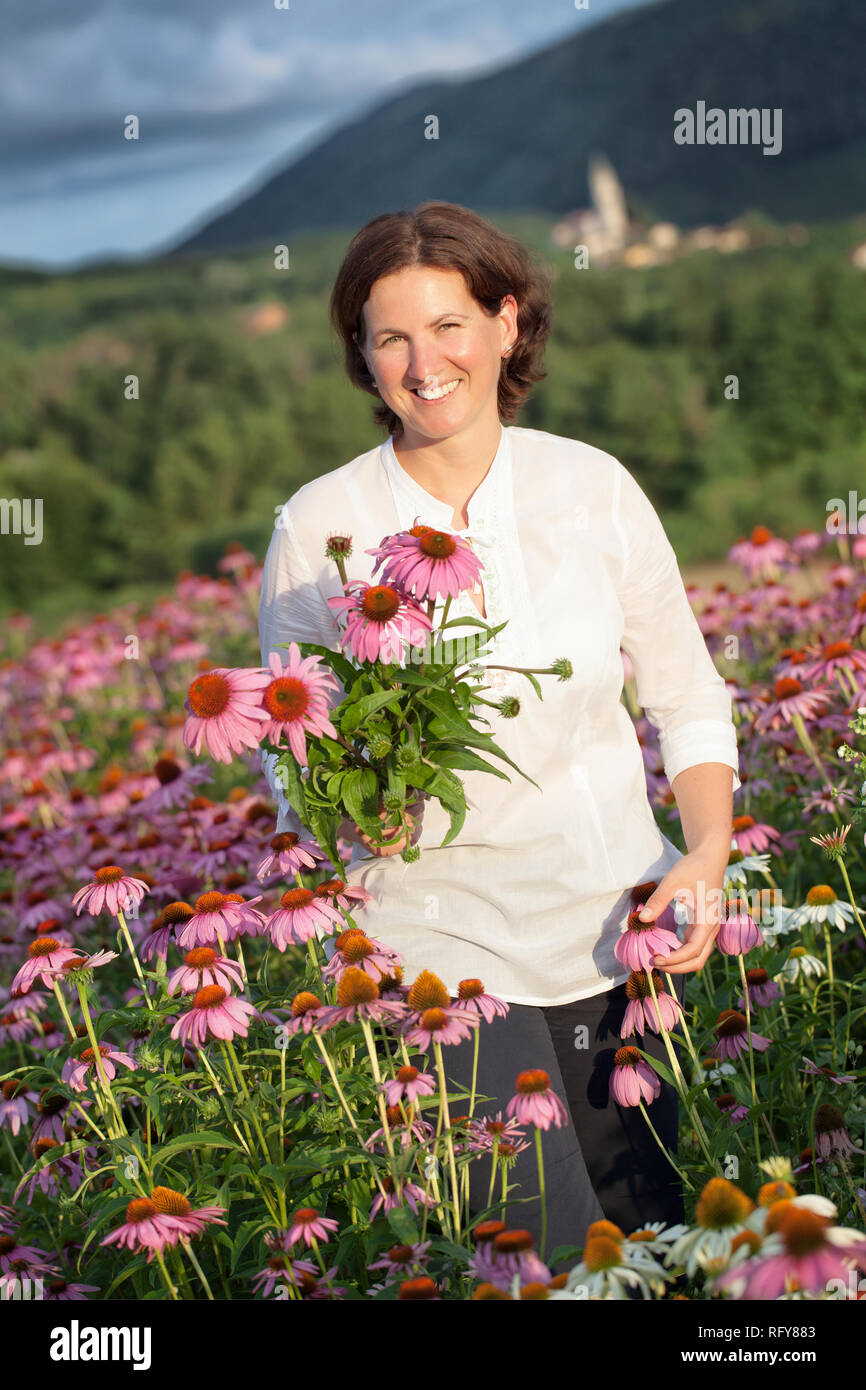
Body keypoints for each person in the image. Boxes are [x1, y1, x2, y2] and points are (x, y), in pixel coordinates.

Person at [257, 200, 740, 1263]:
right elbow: (290, 746)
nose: (423, 362)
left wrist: (705, 853)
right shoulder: (321, 526)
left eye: (448, 325)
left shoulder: (590, 487)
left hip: (615, 921)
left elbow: (686, 693)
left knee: (655, 1241)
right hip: (441, 944)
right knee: (547, 1252)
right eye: (390, 336)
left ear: (506, 324)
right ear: (362, 355)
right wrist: (354, 808)